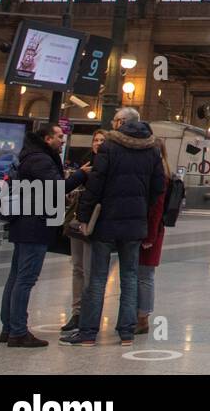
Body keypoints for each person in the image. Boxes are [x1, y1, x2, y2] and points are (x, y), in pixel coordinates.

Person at [61, 109, 165, 346]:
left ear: (120, 123)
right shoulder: (152, 150)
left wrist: (84, 215)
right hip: (135, 223)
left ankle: (88, 332)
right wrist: (141, 206)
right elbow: (158, 187)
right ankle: (126, 332)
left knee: (97, 278)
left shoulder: (110, 147)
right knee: (129, 277)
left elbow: (95, 185)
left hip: (106, 221)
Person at [0, 122, 86, 348]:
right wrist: (80, 175)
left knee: (16, 277)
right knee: (25, 279)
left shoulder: (30, 154)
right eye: (59, 136)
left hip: (24, 223)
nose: (62, 139)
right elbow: (56, 187)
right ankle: (17, 332)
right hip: (34, 225)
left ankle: (8, 327)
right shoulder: (40, 159)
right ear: (47, 139)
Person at [60, 128, 104, 332]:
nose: (98, 143)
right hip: (78, 219)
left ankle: (88, 312)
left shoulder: (107, 166)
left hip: (95, 221)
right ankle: (76, 312)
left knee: (89, 269)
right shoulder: (86, 164)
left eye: (102, 140)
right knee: (77, 266)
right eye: (95, 140)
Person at [136, 142, 172, 337]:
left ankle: (142, 317)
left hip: (151, 231)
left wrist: (150, 235)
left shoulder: (160, 176)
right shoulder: (159, 172)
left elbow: (157, 207)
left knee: (145, 275)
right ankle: (138, 315)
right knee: (142, 275)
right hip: (149, 229)